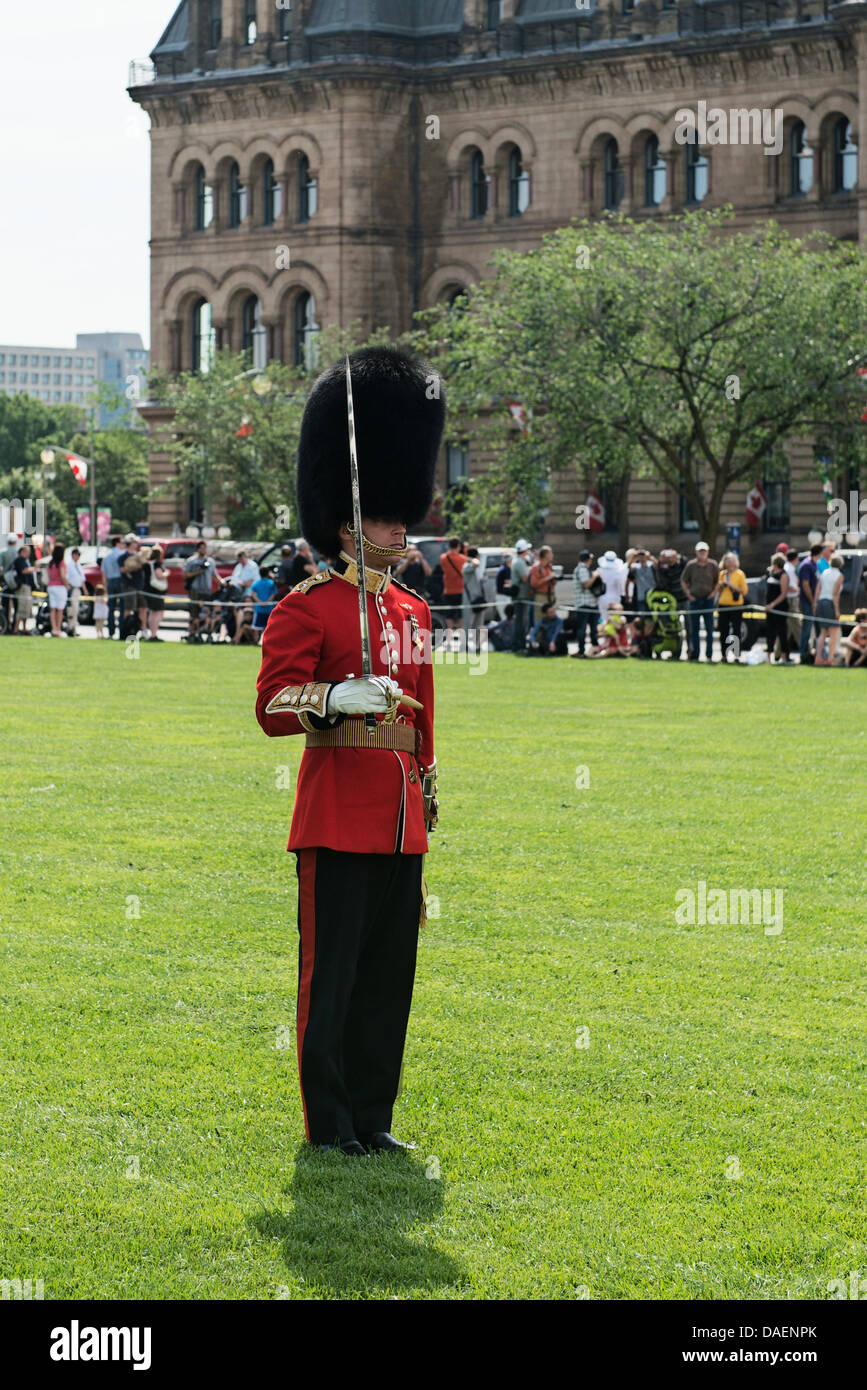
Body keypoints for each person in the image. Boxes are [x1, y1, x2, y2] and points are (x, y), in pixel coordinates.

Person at [256, 345, 444, 1158]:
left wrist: (427, 797)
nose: (402, 525)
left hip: (401, 818)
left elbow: (424, 718)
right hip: (336, 814)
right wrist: (331, 700)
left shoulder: (413, 610)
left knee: (385, 983)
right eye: (387, 513)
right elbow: (270, 705)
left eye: (405, 514)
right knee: (328, 981)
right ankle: (329, 1126)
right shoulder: (309, 608)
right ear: (345, 520)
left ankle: (373, 1115)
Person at [682, 541, 719, 661]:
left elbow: (718, 581)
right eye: (700, 551)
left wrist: (713, 594)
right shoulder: (691, 565)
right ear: (696, 552)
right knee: (694, 629)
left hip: (708, 600)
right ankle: (695, 654)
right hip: (694, 600)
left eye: (704, 551)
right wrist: (688, 594)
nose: (702, 553)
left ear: (707, 552)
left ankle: (709, 654)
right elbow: (683, 581)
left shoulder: (713, 565)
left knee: (709, 629)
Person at [183, 540, 220, 641]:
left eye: (205, 548)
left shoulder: (210, 561)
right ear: (197, 549)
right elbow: (185, 575)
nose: (203, 550)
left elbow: (215, 575)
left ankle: (203, 633)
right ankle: (192, 633)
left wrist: (222, 583)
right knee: (194, 614)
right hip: (195, 590)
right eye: (201, 548)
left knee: (206, 613)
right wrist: (197, 572)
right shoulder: (192, 561)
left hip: (207, 591)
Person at [714, 551, 747, 663]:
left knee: (736, 631)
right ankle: (724, 655)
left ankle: (736, 655)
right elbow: (718, 591)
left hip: (736, 606)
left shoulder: (740, 574)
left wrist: (732, 586)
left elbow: (744, 591)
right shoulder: (722, 574)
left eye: (733, 561)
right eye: (729, 562)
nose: (731, 564)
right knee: (723, 631)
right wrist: (720, 585)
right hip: (723, 606)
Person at [813, 553, 843, 665]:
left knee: (822, 633)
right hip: (830, 603)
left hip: (821, 602)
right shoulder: (839, 575)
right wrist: (836, 610)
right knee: (833, 633)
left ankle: (818, 657)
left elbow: (817, 590)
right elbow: (835, 594)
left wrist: (815, 604)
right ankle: (830, 659)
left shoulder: (824, 573)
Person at [570, 548, 600, 658]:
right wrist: (595, 576)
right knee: (582, 629)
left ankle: (594, 649)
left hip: (591, 603)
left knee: (593, 630)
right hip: (584, 604)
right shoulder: (582, 569)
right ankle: (582, 651)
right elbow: (586, 585)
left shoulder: (585, 569)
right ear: (588, 559)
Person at [797, 543, 823, 664]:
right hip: (808, 602)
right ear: (819, 553)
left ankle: (818, 653)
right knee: (807, 629)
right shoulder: (806, 565)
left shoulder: (815, 564)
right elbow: (805, 585)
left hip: (815, 602)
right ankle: (803, 654)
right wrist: (812, 602)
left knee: (819, 629)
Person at [764, 554, 791, 663]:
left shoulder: (784, 575)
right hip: (769, 608)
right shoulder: (770, 573)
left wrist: (773, 604)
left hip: (780, 607)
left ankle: (784, 656)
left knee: (782, 632)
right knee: (770, 632)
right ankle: (768, 655)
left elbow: (783, 594)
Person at [509, 538, 534, 652]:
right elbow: (525, 578)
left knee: (523, 621)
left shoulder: (521, 560)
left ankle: (520, 644)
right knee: (520, 622)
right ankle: (518, 645)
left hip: (523, 595)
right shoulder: (519, 562)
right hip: (520, 596)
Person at [439, 536, 466, 638]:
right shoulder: (463, 559)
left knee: (448, 615)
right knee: (460, 615)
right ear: (459, 546)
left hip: (448, 590)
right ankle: (461, 635)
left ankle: (449, 637)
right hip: (460, 589)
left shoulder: (443, 558)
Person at [101, 535, 126, 638]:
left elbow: (104, 575)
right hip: (121, 581)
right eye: (122, 542)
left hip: (110, 582)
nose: (123, 544)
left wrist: (105, 587)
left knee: (111, 608)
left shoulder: (107, 556)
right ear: (117, 543)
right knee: (122, 608)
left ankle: (111, 632)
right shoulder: (123, 554)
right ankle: (121, 632)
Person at [462, 545, 486, 648]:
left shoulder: (476, 567)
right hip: (469, 598)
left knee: (478, 623)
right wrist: (472, 559)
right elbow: (475, 563)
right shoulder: (467, 566)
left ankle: (478, 645)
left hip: (479, 598)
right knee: (467, 623)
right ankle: (464, 645)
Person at [12, 543, 38, 634]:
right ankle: (16, 629)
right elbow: (23, 571)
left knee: (26, 609)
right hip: (22, 587)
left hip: (26, 587)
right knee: (21, 608)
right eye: (28, 552)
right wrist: (34, 568)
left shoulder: (25, 561)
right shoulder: (19, 560)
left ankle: (23, 628)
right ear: (22, 552)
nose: (29, 554)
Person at [144, 546, 168, 640]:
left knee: (152, 612)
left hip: (148, 590)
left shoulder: (146, 563)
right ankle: (154, 634)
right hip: (156, 590)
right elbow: (159, 575)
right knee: (157, 612)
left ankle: (152, 633)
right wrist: (166, 573)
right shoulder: (157, 564)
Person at [528, 545, 555, 624]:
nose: (552, 555)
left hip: (550, 597)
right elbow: (534, 584)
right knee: (539, 620)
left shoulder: (549, 566)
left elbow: (552, 581)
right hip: (540, 597)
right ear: (546, 555)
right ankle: (538, 636)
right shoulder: (536, 567)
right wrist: (548, 578)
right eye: (551, 553)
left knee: (550, 620)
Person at [250, 564, 277, 639]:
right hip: (269, 609)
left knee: (256, 628)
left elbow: (253, 594)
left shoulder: (256, 583)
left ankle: (256, 641)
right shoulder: (271, 583)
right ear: (268, 573)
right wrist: (267, 602)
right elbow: (273, 594)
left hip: (259, 609)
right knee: (269, 628)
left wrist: (259, 602)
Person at [47, 544, 68, 636]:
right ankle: (58, 628)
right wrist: (67, 585)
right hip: (60, 587)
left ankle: (53, 628)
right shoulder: (62, 563)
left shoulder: (50, 563)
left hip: (51, 586)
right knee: (60, 609)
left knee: (53, 609)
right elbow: (63, 576)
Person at [66, 547, 86, 636]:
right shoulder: (69, 565)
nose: (78, 556)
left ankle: (74, 628)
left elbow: (82, 579)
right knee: (72, 609)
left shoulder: (78, 565)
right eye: (77, 554)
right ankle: (70, 628)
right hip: (71, 589)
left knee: (76, 609)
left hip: (77, 589)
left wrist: (85, 589)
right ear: (73, 555)